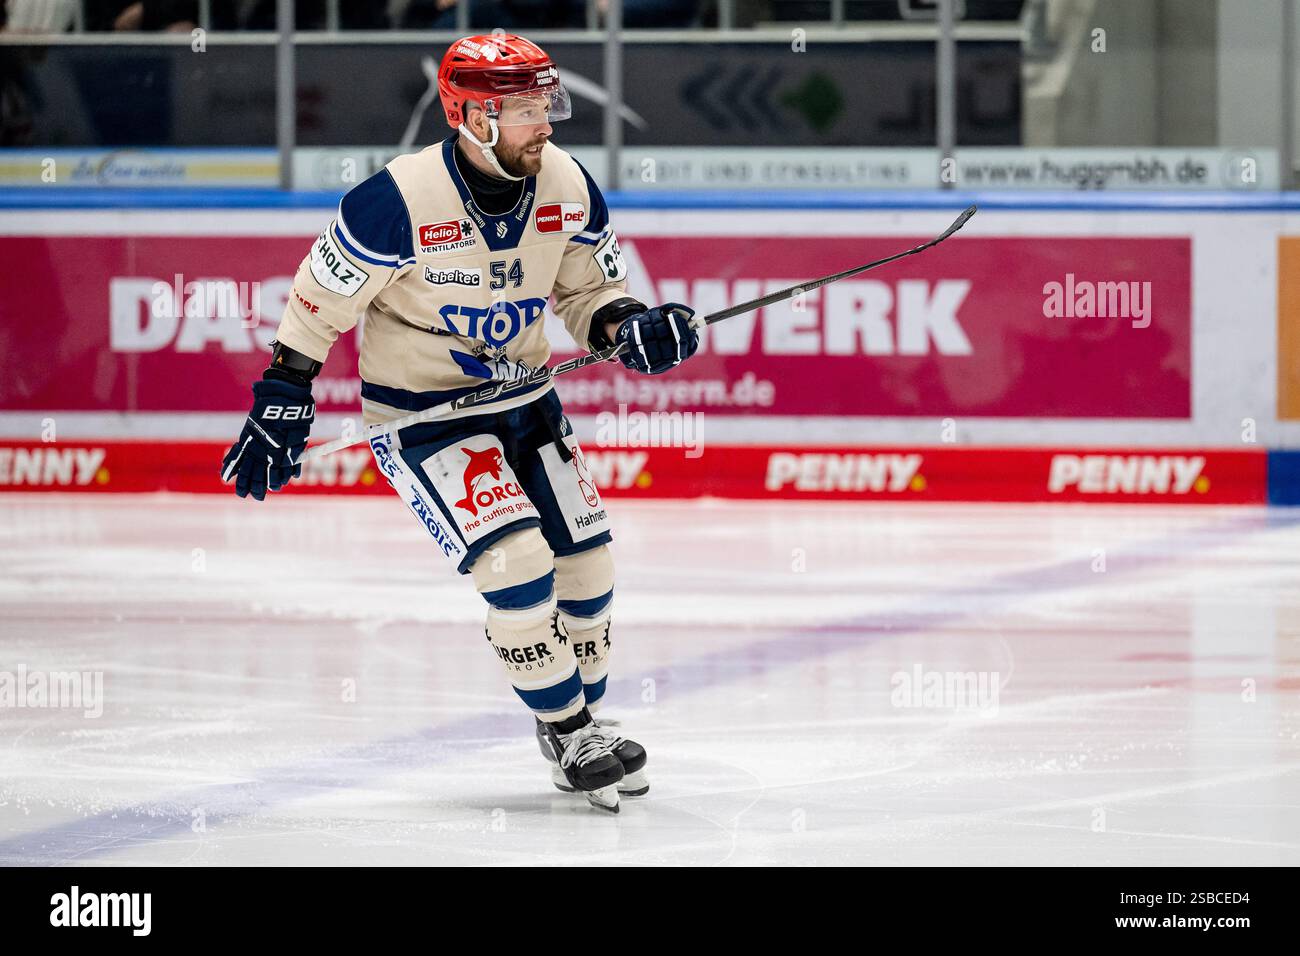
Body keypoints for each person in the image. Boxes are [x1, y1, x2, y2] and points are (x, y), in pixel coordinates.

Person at [221, 33, 700, 813]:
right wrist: (285, 387)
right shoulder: (395, 201)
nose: (546, 124)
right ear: (473, 117)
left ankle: (579, 723)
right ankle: (571, 730)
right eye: (526, 110)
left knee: (588, 569)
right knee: (516, 566)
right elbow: (319, 298)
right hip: (426, 418)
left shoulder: (567, 183)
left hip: (526, 403)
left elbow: (589, 293)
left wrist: (631, 327)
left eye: (546, 104)